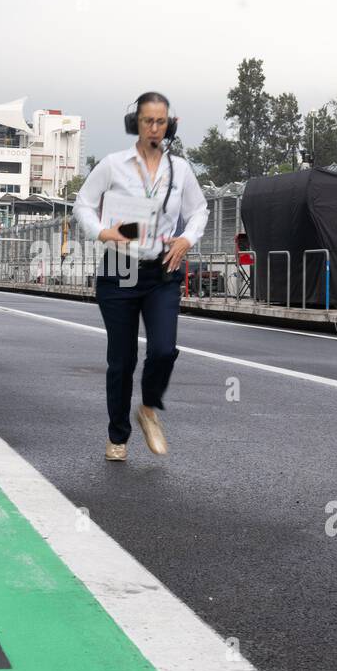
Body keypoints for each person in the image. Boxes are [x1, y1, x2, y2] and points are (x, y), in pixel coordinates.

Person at [73, 91, 207, 463]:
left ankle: (148, 408)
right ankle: (118, 435)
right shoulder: (113, 165)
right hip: (120, 267)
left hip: (161, 268)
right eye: (147, 120)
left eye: (161, 121)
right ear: (136, 123)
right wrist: (102, 232)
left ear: (170, 125)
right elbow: (83, 203)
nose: (154, 127)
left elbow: (200, 210)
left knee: (164, 349)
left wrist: (186, 237)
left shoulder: (179, 170)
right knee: (122, 359)